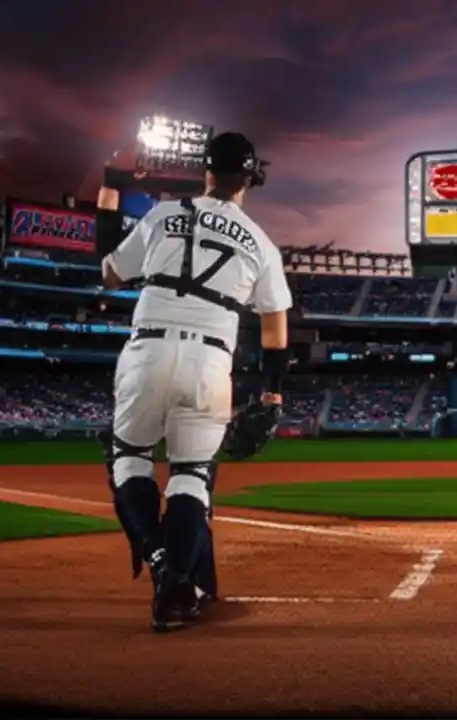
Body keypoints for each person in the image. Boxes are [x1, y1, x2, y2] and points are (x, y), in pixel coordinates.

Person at [100, 131, 293, 632]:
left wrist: (107, 195)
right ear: (249, 179)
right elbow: (275, 332)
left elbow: (110, 274)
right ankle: (176, 592)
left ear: (206, 171)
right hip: (210, 361)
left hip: (147, 348)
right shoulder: (262, 243)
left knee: (128, 458)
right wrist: (272, 392)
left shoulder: (163, 214)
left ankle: (162, 563)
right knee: (191, 475)